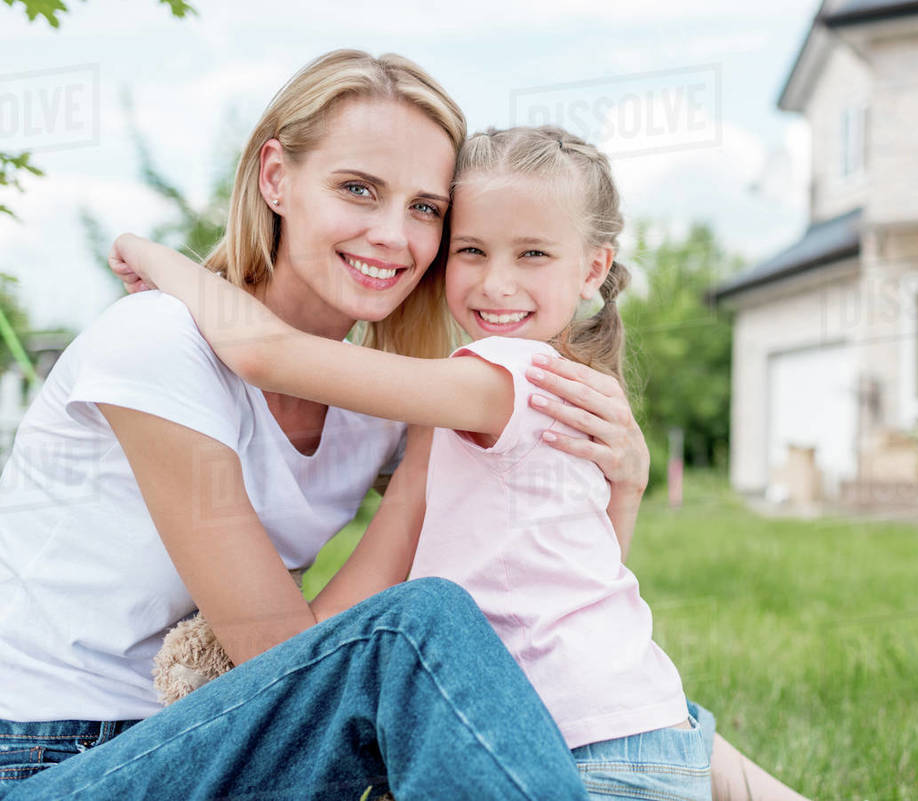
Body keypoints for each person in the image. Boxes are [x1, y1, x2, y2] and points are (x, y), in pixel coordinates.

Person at [0, 51, 647, 799]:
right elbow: (282, 661)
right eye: (358, 189)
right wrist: (424, 470)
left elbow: (553, 608)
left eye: (426, 208)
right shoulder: (154, 344)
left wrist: (625, 478)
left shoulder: (373, 402)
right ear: (275, 177)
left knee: (525, 676)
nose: (393, 235)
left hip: (205, 745)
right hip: (46, 762)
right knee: (415, 630)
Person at [108, 126, 812, 801]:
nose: (495, 284)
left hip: (581, 751)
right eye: (471, 251)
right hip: (639, 734)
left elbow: (269, 353)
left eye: (532, 254)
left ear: (592, 266)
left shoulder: (499, 373)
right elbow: (585, 568)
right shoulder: (561, 388)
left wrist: (161, 259)